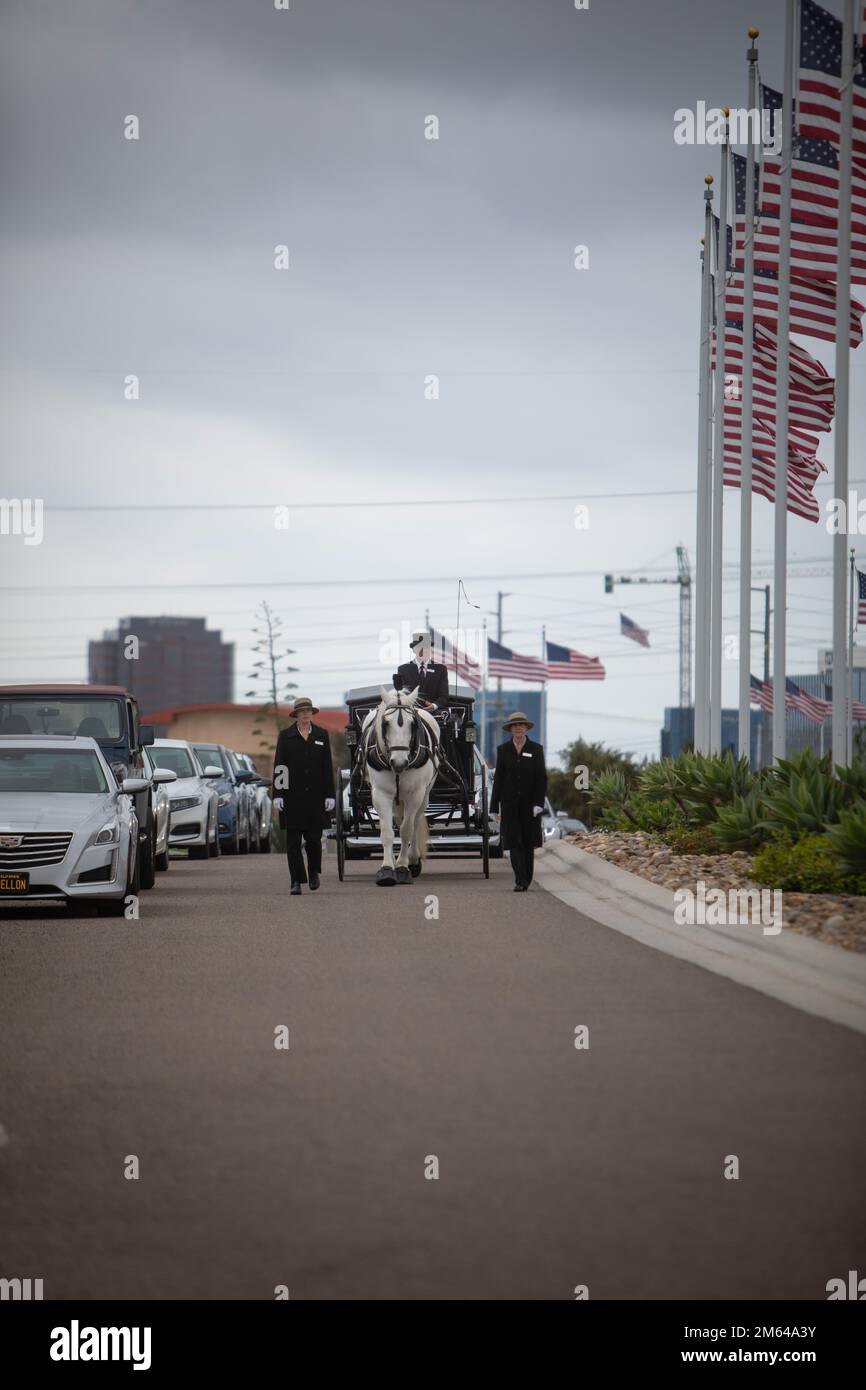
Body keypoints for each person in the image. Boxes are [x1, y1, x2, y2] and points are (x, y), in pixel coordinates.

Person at [272, 696, 336, 895]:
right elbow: (280, 766)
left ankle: (313, 871)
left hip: (316, 798)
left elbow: (327, 766)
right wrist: (278, 794)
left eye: (309, 710)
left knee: (314, 840)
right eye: (302, 711)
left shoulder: (321, 735)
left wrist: (330, 794)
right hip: (292, 798)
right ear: (297, 714)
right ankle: (296, 881)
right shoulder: (286, 736)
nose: (306, 714)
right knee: (293, 842)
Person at [490, 712, 547, 891]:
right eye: (515, 725)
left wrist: (539, 803)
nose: (518, 728)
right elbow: (498, 779)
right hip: (509, 805)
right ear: (511, 729)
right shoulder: (503, 750)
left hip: (530, 806)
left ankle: (526, 878)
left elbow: (541, 778)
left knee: (527, 843)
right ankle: (519, 880)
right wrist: (494, 807)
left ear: (526, 727)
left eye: (521, 725)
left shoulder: (536, 749)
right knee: (514, 842)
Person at [392, 632, 449, 711]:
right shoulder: (403, 669)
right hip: (410, 713)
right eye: (419, 647)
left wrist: (434, 705)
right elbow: (402, 695)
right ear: (414, 650)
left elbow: (444, 696)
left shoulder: (441, 669)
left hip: (434, 714)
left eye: (425, 647)